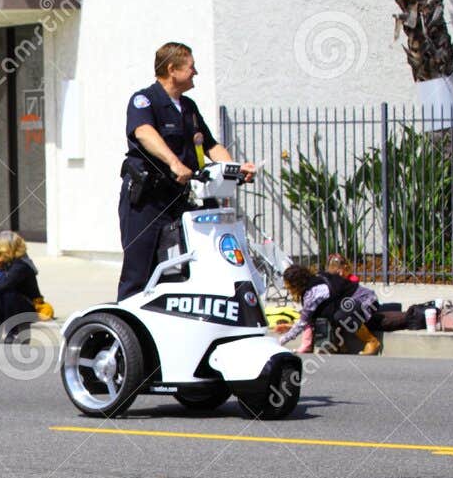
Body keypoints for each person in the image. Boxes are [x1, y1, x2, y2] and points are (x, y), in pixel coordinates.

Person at [118, 42, 255, 300]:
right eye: (191, 67)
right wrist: (174, 162)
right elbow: (144, 133)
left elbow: (211, 145)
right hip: (147, 200)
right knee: (139, 271)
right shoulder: (145, 100)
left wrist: (236, 170)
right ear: (172, 69)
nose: (196, 72)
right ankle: (128, 333)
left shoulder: (188, 107)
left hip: (181, 198)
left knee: (186, 268)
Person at [279, 263, 382, 355]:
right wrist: (290, 326)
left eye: (288, 287)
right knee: (326, 313)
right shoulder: (315, 282)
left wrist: (280, 342)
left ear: (296, 284)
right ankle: (339, 345)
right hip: (357, 302)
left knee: (341, 315)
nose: (288, 290)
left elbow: (303, 322)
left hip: (367, 301)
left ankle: (372, 341)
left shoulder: (312, 293)